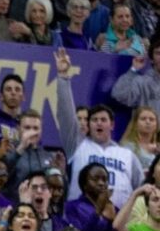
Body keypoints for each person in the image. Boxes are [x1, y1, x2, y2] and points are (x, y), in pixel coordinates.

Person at [56, 48, 143, 209]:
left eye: (103, 120)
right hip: (82, 216)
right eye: (94, 120)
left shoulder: (128, 155)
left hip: (117, 223)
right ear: (88, 125)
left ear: (112, 125)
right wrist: (63, 77)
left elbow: (141, 189)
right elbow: (65, 114)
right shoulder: (77, 146)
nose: (98, 123)